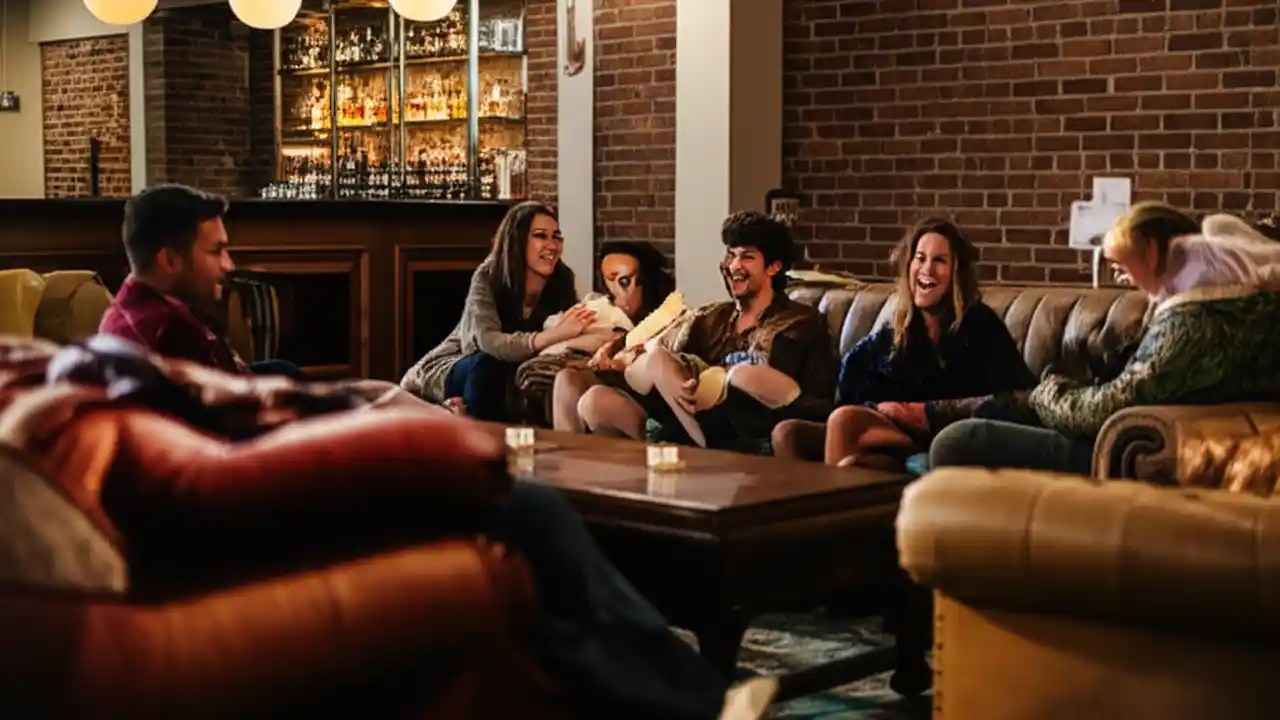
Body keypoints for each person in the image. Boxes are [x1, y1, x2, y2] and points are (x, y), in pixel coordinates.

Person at [0, 335, 776, 720]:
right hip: (221, 515)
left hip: (197, 484)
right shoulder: (70, 438)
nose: (229, 261)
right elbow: (200, 481)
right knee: (525, 511)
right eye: (217, 249)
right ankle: (698, 701)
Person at [931, 206, 1280, 476]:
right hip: (1117, 429)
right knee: (992, 413)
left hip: (1121, 446)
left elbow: (1105, 408)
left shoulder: (1197, 321)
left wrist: (1048, 392)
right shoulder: (1232, 308)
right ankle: (925, 418)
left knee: (959, 442)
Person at [98, 184, 425, 407]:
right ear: (169, 259)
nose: (229, 265)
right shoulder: (167, 329)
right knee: (380, 398)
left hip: (255, 405)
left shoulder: (134, 309)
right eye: (217, 251)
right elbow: (239, 422)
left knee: (373, 391)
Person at [772, 217, 1036, 471]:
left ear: (957, 273)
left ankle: (833, 512)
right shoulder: (899, 331)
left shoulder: (980, 324)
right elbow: (853, 381)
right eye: (920, 258)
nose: (927, 269)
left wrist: (926, 412)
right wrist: (882, 410)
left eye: (940, 261)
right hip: (890, 431)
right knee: (787, 433)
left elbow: (1019, 400)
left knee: (845, 422)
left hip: (941, 435)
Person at [569, 211, 836, 453]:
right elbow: (664, 357)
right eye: (731, 255)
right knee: (595, 401)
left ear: (773, 267)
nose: (734, 266)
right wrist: (625, 354)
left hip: (748, 422)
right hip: (688, 413)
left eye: (747, 257)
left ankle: (699, 448)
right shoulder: (711, 317)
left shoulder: (798, 321)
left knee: (736, 374)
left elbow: (779, 390)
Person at [400, 201, 592, 421]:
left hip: (514, 370)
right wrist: (556, 334)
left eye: (556, 237)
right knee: (490, 364)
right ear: (518, 240)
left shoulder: (562, 280)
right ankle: (483, 444)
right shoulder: (489, 276)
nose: (552, 245)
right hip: (461, 363)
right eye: (540, 236)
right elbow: (490, 342)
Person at [1102, 202, 1280, 306]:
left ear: (1151, 251)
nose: (1116, 271)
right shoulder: (1168, 286)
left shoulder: (1201, 273)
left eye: (1124, 264)